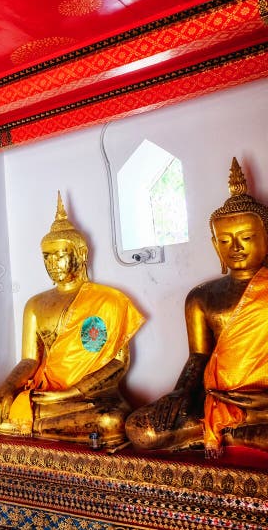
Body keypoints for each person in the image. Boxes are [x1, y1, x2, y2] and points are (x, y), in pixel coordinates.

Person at [0, 193, 144, 448]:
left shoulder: (109, 301)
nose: (52, 263)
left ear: (80, 254)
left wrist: (73, 392)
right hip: (42, 397)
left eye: (59, 255)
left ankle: (24, 425)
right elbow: (30, 360)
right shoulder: (36, 304)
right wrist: (5, 390)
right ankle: (31, 422)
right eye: (46, 257)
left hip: (85, 399)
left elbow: (118, 363)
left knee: (111, 420)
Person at [126, 158, 268, 458]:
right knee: (141, 427)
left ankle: (227, 433)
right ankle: (234, 432)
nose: (236, 247)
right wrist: (181, 392)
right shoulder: (202, 297)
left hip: (263, 403)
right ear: (215, 245)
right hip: (219, 399)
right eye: (226, 240)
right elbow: (198, 356)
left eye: (246, 237)